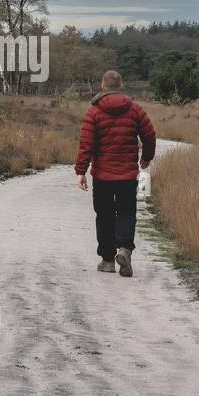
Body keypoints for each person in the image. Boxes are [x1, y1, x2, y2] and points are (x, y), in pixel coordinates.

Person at [74, 70, 156, 277]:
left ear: (102, 86)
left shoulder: (93, 112)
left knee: (104, 216)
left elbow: (86, 144)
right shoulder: (135, 109)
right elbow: (150, 135)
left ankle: (108, 260)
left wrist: (81, 171)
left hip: (102, 176)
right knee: (127, 213)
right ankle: (125, 249)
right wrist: (147, 157)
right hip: (127, 176)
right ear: (121, 86)